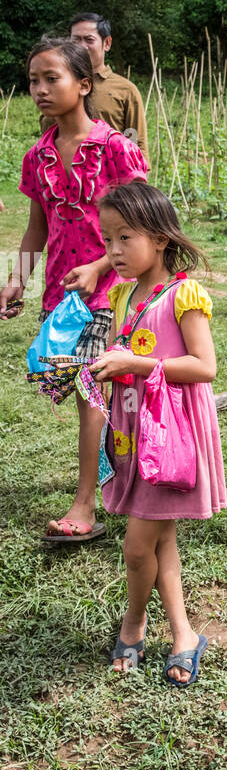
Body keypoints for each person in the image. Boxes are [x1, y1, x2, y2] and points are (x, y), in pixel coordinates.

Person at [0, 37, 147, 541]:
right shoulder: (37, 155)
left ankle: (85, 505)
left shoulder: (115, 148)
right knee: (97, 393)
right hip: (62, 299)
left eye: (51, 78)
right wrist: (17, 278)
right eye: (33, 80)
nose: (39, 89)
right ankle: (123, 479)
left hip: (114, 290)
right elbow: (36, 228)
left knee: (91, 390)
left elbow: (143, 222)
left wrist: (102, 262)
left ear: (84, 85)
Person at [90, 182, 227, 686]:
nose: (114, 252)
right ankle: (184, 633)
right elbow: (115, 356)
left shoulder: (183, 295)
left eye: (126, 238)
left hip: (167, 437)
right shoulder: (122, 294)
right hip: (131, 432)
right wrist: (91, 371)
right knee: (160, 536)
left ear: (162, 239)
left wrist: (138, 364)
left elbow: (205, 366)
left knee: (136, 546)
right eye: (107, 240)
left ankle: (134, 622)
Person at [68, 13, 149, 163]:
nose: (81, 46)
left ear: (107, 43)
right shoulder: (60, 86)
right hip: (66, 180)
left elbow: (136, 146)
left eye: (89, 40)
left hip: (111, 180)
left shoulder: (125, 91)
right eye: (76, 40)